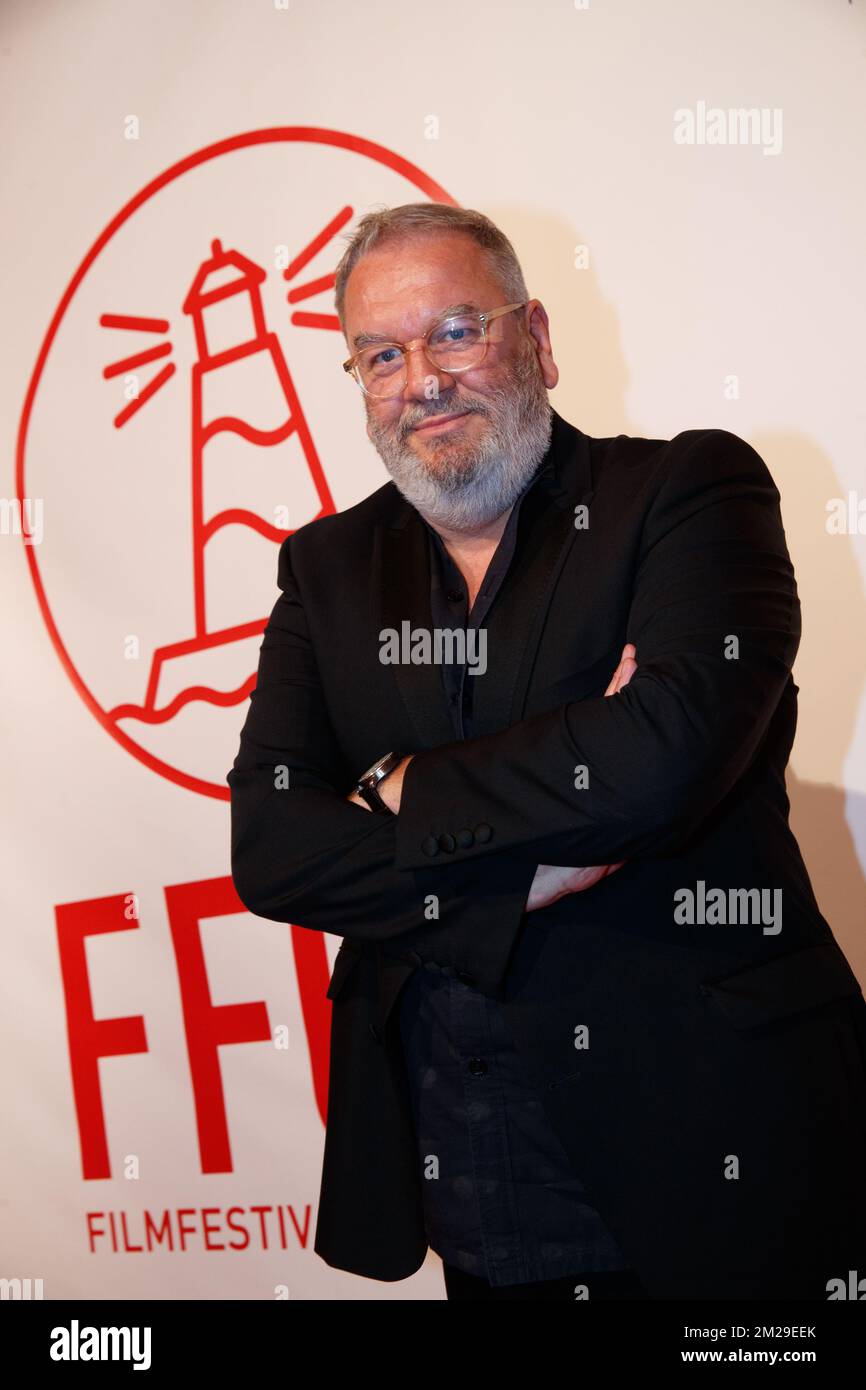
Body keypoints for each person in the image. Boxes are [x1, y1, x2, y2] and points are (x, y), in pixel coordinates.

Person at [227, 202, 866, 1300]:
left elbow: (662, 757)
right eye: (381, 353)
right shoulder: (325, 568)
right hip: (467, 1164)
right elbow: (272, 845)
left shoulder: (686, 494)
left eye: (455, 332)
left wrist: (402, 787)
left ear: (536, 337)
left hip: (713, 1150)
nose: (421, 378)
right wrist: (522, 875)